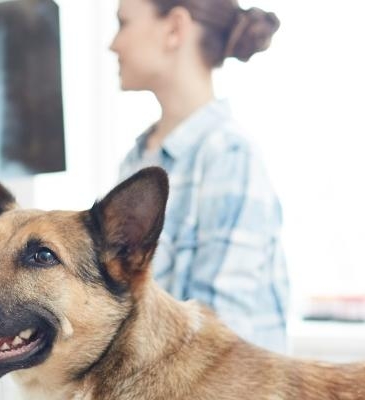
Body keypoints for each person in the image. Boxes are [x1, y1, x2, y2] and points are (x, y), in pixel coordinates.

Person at [108, 0, 289, 353]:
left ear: (174, 28)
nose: (114, 44)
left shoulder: (228, 155)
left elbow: (220, 334)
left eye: (123, 23)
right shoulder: (136, 159)